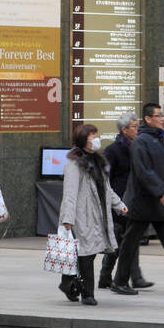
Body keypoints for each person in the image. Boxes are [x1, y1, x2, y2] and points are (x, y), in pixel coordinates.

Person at [111, 103, 164, 295]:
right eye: (158, 116)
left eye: (162, 115)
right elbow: (144, 172)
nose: (162, 119)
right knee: (129, 243)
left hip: (160, 204)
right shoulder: (140, 142)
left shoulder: (161, 140)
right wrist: (161, 193)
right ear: (148, 119)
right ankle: (119, 281)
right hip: (142, 203)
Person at [60, 123, 127, 305]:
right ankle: (87, 293)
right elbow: (70, 192)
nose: (95, 139)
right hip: (84, 215)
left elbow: (106, 188)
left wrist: (119, 205)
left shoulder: (98, 160)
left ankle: (67, 282)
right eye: (92, 136)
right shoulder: (75, 163)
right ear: (84, 140)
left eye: (96, 134)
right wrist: (68, 218)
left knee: (91, 252)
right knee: (86, 254)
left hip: (100, 215)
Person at [100, 112, 151, 289]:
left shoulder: (137, 147)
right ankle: (106, 275)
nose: (138, 129)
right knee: (120, 242)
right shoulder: (113, 150)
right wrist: (113, 201)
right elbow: (105, 178)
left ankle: (134, 277)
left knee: (131, 239)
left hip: (133, 199)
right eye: (134, 127)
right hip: (119, 200)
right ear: (124, 130)